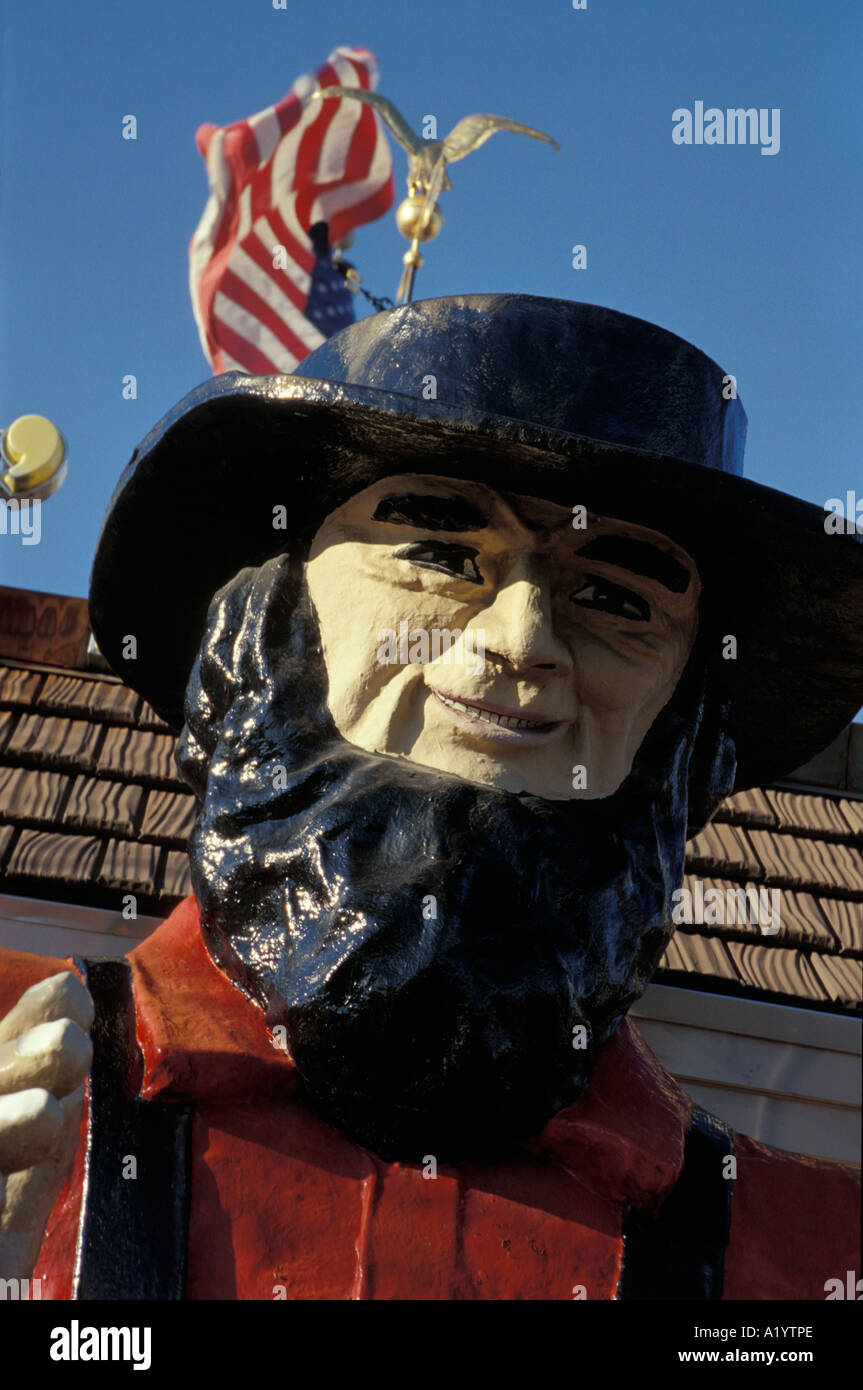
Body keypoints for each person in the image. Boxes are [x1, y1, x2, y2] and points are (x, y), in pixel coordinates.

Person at [1, 295, 860, 1299]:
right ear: (277, 618)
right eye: (441, 556)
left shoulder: (813, 1258)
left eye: (617, 600)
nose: (522, 640)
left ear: (680, 714)